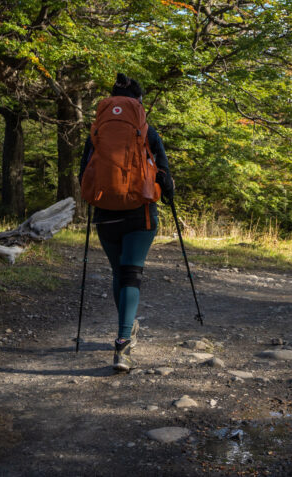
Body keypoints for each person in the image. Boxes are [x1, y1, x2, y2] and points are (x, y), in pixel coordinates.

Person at [78, 74, 175, 372]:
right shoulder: (148, 131)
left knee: (119, 274)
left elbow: (83, 174)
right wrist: (168, 193)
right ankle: (122, 343)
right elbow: (164, 175)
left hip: (105, 214)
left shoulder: (96, 131)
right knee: (132, 274)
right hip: (139, 213)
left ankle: (126, 328)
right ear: (139, 102)